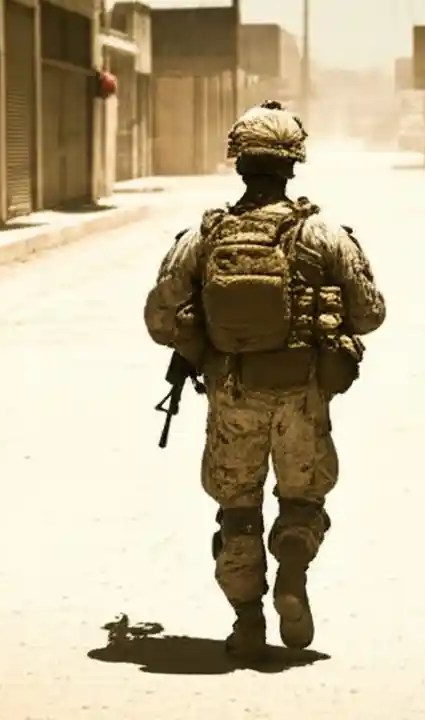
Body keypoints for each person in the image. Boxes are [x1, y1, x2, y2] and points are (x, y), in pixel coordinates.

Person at [143, 101, 386, 662]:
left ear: (239, 164)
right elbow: (370, 313)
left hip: (231, 393)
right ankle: (293, 571)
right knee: (303, 498)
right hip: (302, 393)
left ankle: (248, 624)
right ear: (292, 166)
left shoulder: (204, 235)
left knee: (236, 510)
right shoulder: (321, 233)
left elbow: (160, 320)